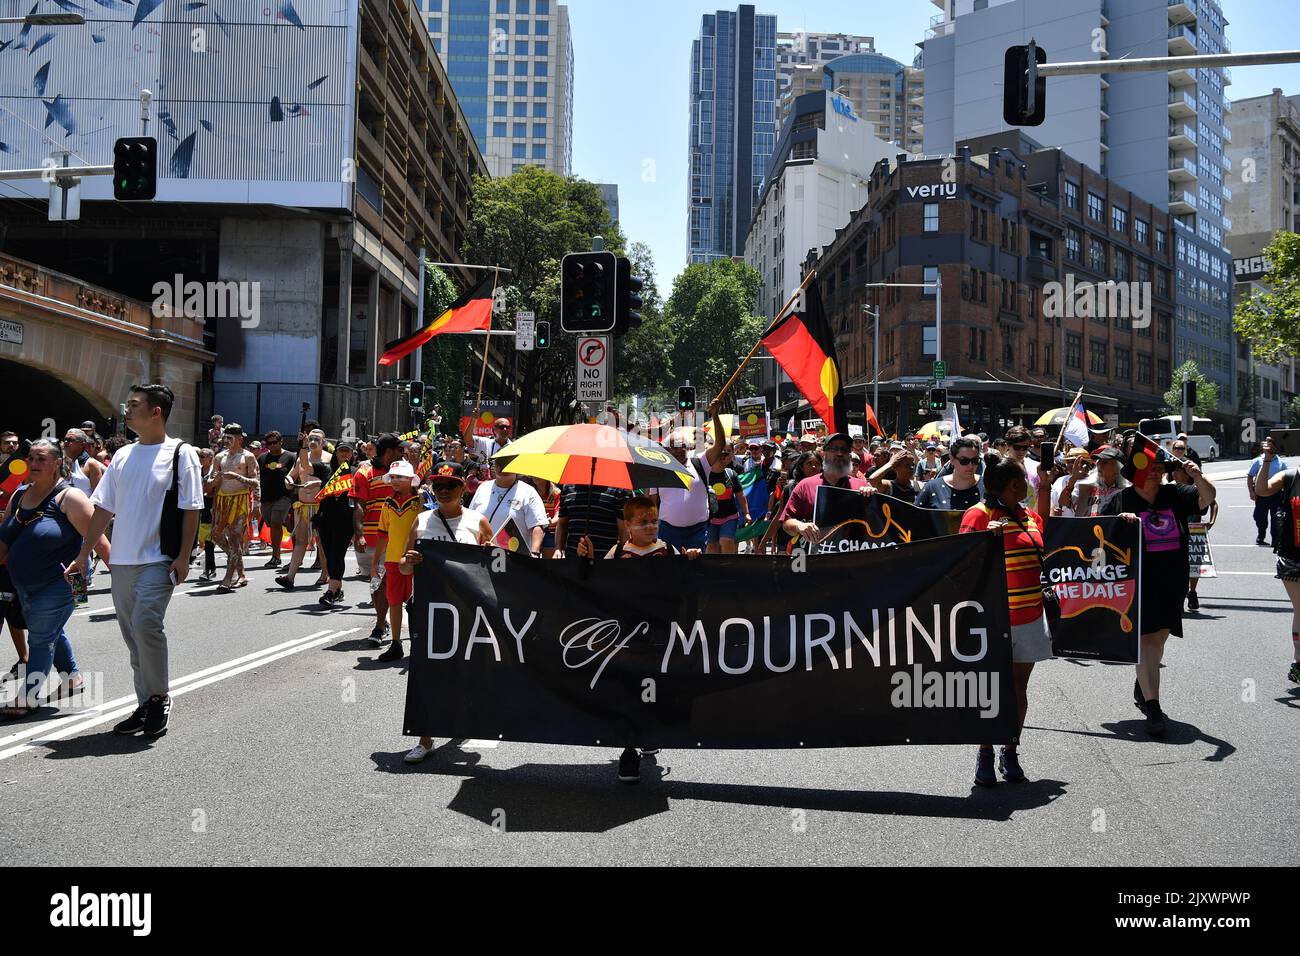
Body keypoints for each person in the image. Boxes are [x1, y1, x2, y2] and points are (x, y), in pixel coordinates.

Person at [67, 384, 203, 738]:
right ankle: (144, 703)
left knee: (146, 625)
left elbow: (191, 509)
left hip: (159, 559)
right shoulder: (124, 455)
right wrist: (84, 554)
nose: (126, 410)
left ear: (156, 411)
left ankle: (159, 698)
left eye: (134, 405)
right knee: (132, 635)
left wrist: (185, 557)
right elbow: (103, 509)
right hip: (122, 562)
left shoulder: (180, 453)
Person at [574, 495, 701, 784]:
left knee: (654, 686)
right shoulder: (618, 553)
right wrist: (587, 559)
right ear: (628, 524)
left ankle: (648, 733)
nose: (650, 526)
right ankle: (629, 750)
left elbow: (686, 587)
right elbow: (593, 584)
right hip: (626, 636)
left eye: (654, 520)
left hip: (659, 633)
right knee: (628, 689)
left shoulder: (669, 551)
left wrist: (691, 560)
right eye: (642, 522)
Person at [1103, 435, 1216, 737]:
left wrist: (1197, 476)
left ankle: (1143, 685)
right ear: (1135, 469)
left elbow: (1206, 498)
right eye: (1150, 467)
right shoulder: (1120, 500)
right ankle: (1153, 708)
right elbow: (1097, 534)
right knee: (1147, 643)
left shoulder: (1176, 493)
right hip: (1137, 583)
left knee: (1159, 640)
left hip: (1172, 581)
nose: (1157, 471)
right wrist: (1119, 521)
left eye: (1160, 467)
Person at [959, 456, 1053, 785]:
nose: (1028, 485)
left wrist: (1047, 486)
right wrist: (985, 538)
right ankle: (984, 753)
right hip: (992, 620)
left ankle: (1010, 750)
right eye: (1025, 481)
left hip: (1030, 617)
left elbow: (1045, 535)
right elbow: (959, 561)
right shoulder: (979, 514)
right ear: (1014, 484)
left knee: (1018, 688)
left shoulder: (1029, 517)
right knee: (992, 689)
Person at [0, 440, 110, 716]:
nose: (33, 464)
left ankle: (28, 696)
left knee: (41, 636)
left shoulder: (70, 497)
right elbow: (4, 536)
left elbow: (98, 539)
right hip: (24, 583)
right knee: (50, 630)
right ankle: (72, 678)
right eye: (31, 459)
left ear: (57, 463)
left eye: (41, 459)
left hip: (62, 582)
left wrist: (120, 578)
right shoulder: (20, 494)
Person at [399, 461, 490, 764]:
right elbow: (403, 565)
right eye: (438, 485)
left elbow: (494, 567)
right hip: (429, 610)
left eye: (450, 485)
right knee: (427, 670)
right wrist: (409, 559)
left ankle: (469, 717)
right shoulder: (422, 521)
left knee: (467, 668)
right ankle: (425, 739)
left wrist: (490, 555)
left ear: (464, 488)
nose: (444, 490)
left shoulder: (478, 522)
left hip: (466, 611)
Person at [352, 434, 404, 647]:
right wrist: (359, 534)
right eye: (398, 450)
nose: (401, 454)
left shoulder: (400, 471)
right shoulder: (364, 472)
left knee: (385, 582)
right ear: (389, 451)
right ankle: (383, 622)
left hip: (395, 538)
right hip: (372, 538)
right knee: (376, 583)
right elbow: (358, 506)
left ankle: (380, 624)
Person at [370, 460, 425, 663]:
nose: (394, 480)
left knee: (414, 604)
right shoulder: (387, 503)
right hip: (392, 560)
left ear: (411, 479)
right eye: (392, 477)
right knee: (394, 602)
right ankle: (396, 643)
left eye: (400, 477)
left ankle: (417, 643)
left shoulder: (421, 503)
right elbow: (383, 535)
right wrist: (376, 562)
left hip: (415, 560)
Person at [780, 433, 874, 550]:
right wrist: (800, 526)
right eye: (833, 449)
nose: (839, 453)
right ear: (824, 454)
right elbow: (786, 523)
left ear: (849, 456)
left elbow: (875, 527)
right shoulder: (805, 485)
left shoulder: (862, 487)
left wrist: (872, 498)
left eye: (844, 450)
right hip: (815, 562)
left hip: (853, 560)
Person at [652, 402, 726, 551]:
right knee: (670, 572)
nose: (679, 450)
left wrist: (715, 416)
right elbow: (653, 503)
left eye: (682, 446)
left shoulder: (701, 462)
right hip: (667, 531)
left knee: (694, 571)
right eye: (674, 447)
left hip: (697, 531)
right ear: (666, 449)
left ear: (688, 447)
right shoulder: (659, 468)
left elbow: (720, 444)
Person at [1255, 447, 1300, 685]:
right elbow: (1261, 490)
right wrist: (1268, 460)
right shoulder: (1290, 476)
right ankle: (1298, 662)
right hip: (1293, 554)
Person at [275, 436, 332, 590]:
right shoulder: (302, 458)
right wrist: (287, 480)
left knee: (322, 542)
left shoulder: (329, 459)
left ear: (323, 441)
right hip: (303, 506)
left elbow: (332, 480)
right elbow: (292, 475)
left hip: (321, 506)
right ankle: (290, 577)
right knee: (300, 541)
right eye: (311, 438)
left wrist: (318, 482)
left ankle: (325, 574)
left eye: (316, 439)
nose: (313, 441)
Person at [207, 424, 259, 593]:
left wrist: (236, 476)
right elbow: (212, 479)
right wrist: (212, 482)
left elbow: (256, 482)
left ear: (239, 439)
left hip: (240, 501)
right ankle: (240, 569)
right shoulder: (219, 457)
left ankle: (228, 579)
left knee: (235, 538)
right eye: (225, 437)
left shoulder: (248, 456)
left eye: (230, 438)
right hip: (221, 501)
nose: (226, 441)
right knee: (216, 534)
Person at [1170, 437, 1216, 612]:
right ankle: (1179, 596)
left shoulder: (1197, 485)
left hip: (1195, 528)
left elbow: (1212, 500)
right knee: (1178, 566)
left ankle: (1193, 591)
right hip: (1176, 533)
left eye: (1177, 470)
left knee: (1194, 565)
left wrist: (1211, 520)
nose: (1174, 472)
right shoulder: (1170, 487)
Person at [314, 441, 357, 607]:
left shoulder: (356, 472)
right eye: (341, 451)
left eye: (347, 451)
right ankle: (338, 589)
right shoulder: (327, 470)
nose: (344, 454)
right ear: (336, 453)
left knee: (337, 554)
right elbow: (305, 465)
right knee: (329, 554)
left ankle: (331, 591)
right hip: (325, 519)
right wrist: (303, 446)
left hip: (346, 520)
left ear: (352, 453)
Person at [470, 468, 548, 555]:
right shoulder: (483, 487)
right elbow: (471, 519)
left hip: (514, 559)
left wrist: (534, 553)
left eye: (507, 462)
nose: (503, 467)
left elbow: (537, 525)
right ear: (494, 465)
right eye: (499, 462)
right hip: (482, 555)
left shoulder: (528, 492)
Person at [256, 431, 296, 568]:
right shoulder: (262, 458)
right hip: (266, 498)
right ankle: (296, 547)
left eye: (275, 442)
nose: (272, 446)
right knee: (274, 525)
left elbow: (296, 475)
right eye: (269, 443)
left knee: (276, 523)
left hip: (284, 497)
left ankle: (276, 556)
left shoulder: (291, 457)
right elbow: (257, 478)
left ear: (281, 442)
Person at [917, 435, 985, 511]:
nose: (970, 466)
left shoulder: (987, 486)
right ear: (952, 459)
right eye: (964, 461)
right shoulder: (932, 488)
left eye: (975, 461)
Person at [703, 446, 750, 554]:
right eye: (720, 458)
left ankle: (728, 567)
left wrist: (746, 513)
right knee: (711, 546)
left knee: (726, 541)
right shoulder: (705, 476)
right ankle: (713, 570)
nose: (724, 460)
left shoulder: (731, 474)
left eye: (724, 457)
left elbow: (741, 496)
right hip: (710, 519)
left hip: (730, 517)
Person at [1247, 437, 1287, 547]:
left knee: (1276, 517)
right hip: (1261, 494)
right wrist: (1251, 491)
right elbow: (1250, 476)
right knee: (1259, 517)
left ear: (1274, 446)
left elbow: (1286, 479)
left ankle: (1275, 539)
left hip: (1276, 495)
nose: (1268, 445)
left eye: (1271, 443)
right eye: (1266, 442)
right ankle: (1261, 536)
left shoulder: (1281, 462)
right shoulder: (1257, 461)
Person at [196, 447, 218, 582]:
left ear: (211, 458)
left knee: (209, 540)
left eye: (203, 456)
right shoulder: (196, 470)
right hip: (199, 506)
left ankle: (209, 570)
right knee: (203, 539)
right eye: (200, 456)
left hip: (212, 506)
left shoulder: (214, 472)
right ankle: (210, 568)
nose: (200, 459)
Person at [60, 429, 105, 495]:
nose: (66, 442)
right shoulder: (61, 462)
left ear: (82, 444)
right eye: (65, 439)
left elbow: (98, 496)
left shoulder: (90, 464)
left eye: (70, 440)